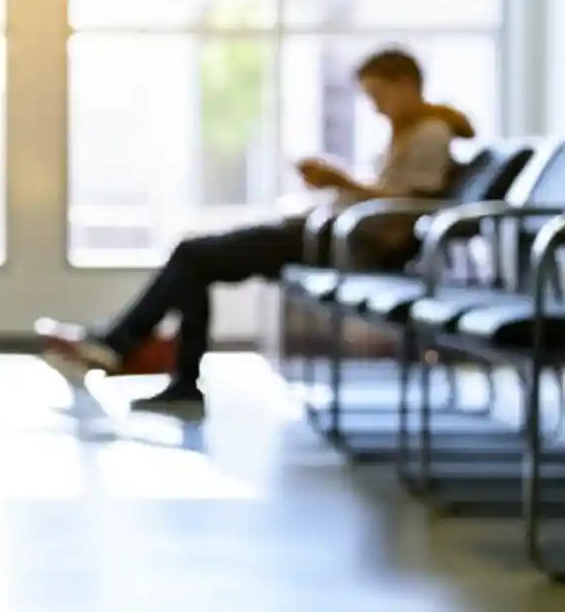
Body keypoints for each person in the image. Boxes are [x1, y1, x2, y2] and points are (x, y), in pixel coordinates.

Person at [38, 49, 475, 411]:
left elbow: (401, 213)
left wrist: (339, 182)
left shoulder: (430, 135)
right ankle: (150, 363)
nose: (375, 106)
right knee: (195, 262)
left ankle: (126, 348)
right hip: (331, 234)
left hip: (350, 245)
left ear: (404, 84)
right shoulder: (407, 133)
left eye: (378, 95)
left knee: (193, 255)